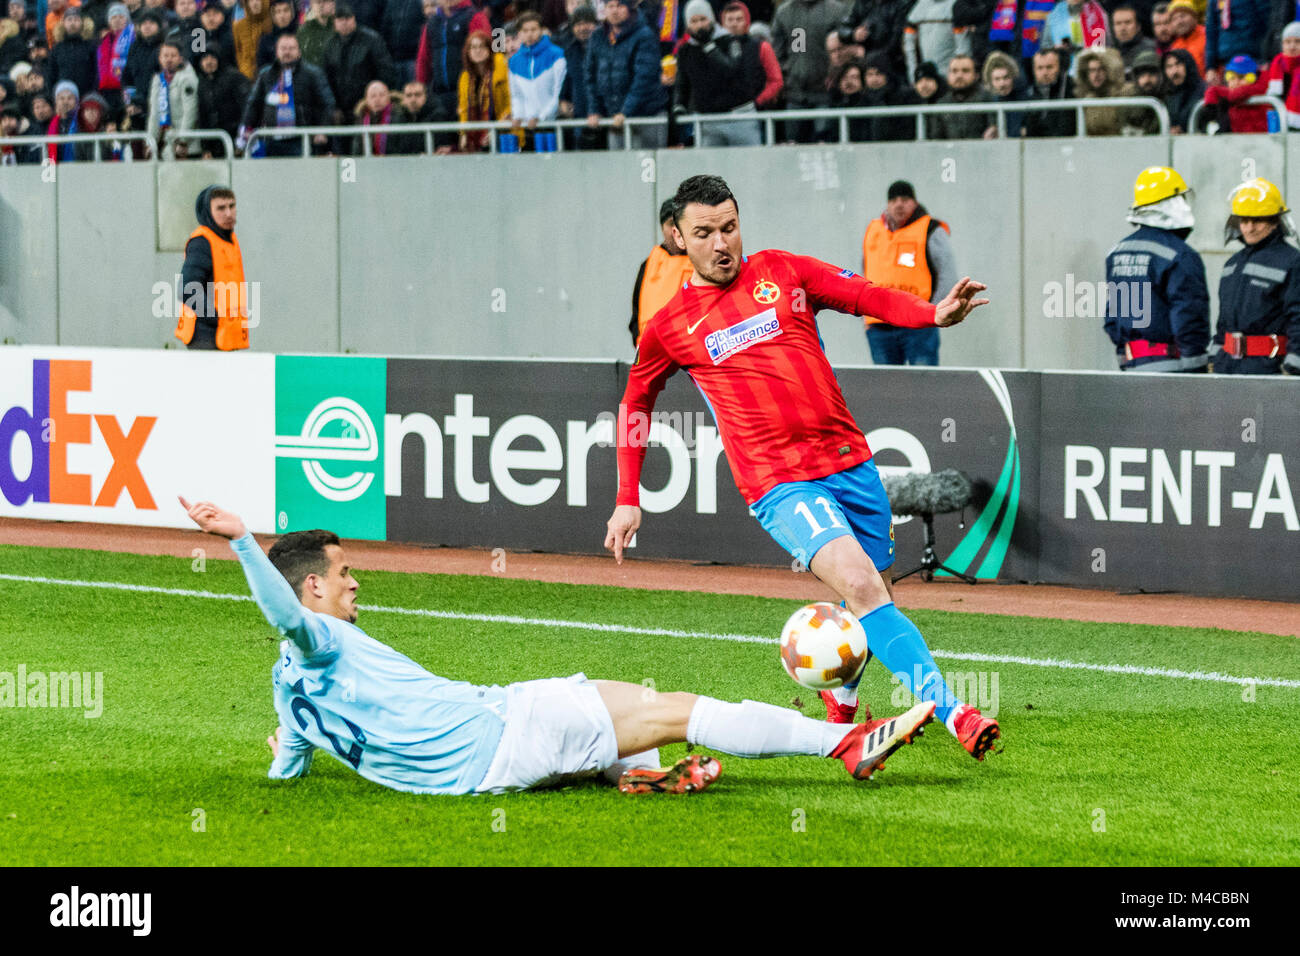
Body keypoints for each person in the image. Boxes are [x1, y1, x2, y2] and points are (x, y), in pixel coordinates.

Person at [604, 175, 1000, 760]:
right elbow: (635, 402)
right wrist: (627, 497)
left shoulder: (782, 271)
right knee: (861, 585)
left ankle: (841, 706)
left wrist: (930, 314)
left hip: (849, 460)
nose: (722, 243)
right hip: (778, 480)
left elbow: (864, 295)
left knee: (873, 592)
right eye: (705, 233)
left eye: (730, 227)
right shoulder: (670, 326)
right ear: (678, 237)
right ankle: (955, 713)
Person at [180, 495, 939, 796]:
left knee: (618, 718)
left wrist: (287, 758)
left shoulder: (289, 693)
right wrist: (242, 539)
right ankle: (845, 744)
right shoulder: (315, 636)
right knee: (679, 708)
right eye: (343, 572)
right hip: (506, 732)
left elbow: (286, 767)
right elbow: (283, 615)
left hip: (473, 769)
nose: (355, 581)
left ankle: (637, 774)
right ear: (312, 588)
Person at [1102, 167, 1209, 371]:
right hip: (1172, 368)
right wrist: (1196, 369)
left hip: (1131, 366)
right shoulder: (1180, 255)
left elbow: (1112, 318)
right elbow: (1188, 316)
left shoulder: (1116, 253)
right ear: (1173, 202)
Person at [861, 180, 956, 365]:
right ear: (888, 204)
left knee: (923, 380)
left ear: (914, 203)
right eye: (894, 200)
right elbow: (864, 272)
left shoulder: (930, 229)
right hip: (879, 326)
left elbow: (947, 275)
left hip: (919, 324)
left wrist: (934, 313)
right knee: (887, 382)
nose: (899, 204)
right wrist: (865, 318)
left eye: (905, 199)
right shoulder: (873, 230)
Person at [1213, 178, 1300, 375]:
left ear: (1275, 222)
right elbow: (1223, 323)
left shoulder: (1292, 261)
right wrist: (1214, 357)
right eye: (1244, 221)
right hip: (1227, 367)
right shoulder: (1232, 264)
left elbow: (1298, 317)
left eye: (1258, 221)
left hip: (1270, 369)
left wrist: (1294, 366)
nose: (1249, 228)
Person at [674, 0, 764, 146]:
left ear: (711, 19)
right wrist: (679, 104)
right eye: (694, 21)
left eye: (703, 19)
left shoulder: (730, 41)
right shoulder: (685, 50)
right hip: (707, 120)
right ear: (688, 25)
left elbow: (731, 69)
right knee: (708, 160)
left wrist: (710, 47)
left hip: (738, 115)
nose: (699, 25)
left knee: (749, 159)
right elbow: (682, 81)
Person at [175, 185, 250, 351]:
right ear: (208, 212)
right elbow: (187, 289)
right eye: (221, 208)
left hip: (225, 336)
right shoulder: (202, 242)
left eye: (232, 206)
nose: (228, 213)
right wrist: (217, 318)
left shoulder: (228, 239)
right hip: (206, 338)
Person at [584, 0, 667, 149]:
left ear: (629, 8)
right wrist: (594, 110)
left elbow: (644, 78)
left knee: (648, 161)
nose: (614, 11)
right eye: (610, 6)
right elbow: (590, 76)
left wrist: (626, 111)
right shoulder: (597, 36)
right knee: (619, 162)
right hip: (615, 118)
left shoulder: (644, 35)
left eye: (619, 6)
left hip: (647, 115)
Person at [240, 31, 335, 156]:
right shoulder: (265, 74)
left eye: (291, 48)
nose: (287, 52)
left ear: (299, 52)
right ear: (277, 52)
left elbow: (327, 104)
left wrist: (322, 130)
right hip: (271, 138)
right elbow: (254, 104)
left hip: (302, 138)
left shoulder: (313, 74)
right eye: (283, 48)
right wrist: (247, 127)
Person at [772, 0, 845, 143]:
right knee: (793, 143)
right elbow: (777, 53)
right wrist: (786, 75)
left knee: (824, 143)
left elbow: (844, 48)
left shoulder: (836, 10)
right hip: (795, 93)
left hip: (825, 92)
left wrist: (837, 73)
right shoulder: (784, 12)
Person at [322, 1, 397, 138]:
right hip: (341, 110)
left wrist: (374, 101)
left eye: (347, 18)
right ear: (334, 22)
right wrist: (334, 107)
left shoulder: (372, 40)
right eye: (340, 19)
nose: (344, 22)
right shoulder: (330, 44)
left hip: (367, 107)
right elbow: (327, 79)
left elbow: (386, 72)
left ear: (354, 19)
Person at [629, 199, 694, 347]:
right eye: (671, 223)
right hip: (652, 351)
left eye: (681, 223)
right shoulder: (648, 266)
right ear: (662, 227)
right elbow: (636, 315)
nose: (677, 230)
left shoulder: (702, 263)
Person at [415, 0, 490, 120]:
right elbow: (423, 59)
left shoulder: (474, 16)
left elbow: (486, 53)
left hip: (469, 92)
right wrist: (421, 86)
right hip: (439, 94)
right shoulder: (431, 23)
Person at [507, 10, 565, 149]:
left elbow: (558, 92)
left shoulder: (556, 54)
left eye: (533, 29)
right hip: (529, 126)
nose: (529, 34)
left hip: (553, 122)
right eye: (525, 30)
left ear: (541, 31)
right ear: (519, 34)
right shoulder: (514, 61)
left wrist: (541, 117)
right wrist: (518, 115)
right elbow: (517, 95)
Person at [147, 36, 199, 159]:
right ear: (160, 58)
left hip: (187, 146)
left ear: (180, 58)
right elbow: (154, 113)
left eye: (173, 56)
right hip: (167, 142)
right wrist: (151, 141)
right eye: (165, 56)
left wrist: (183, 140)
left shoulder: (188, 78)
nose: (169, 59)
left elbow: (190, 112)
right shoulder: (158, 79)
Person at [456, 28, 508, 151]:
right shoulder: (465, 77)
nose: (477, 51)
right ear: (468, 52)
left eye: (482, 46)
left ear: (490, 49)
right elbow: (463, 109)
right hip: (477, 135)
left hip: (504, 131)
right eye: (473, 47)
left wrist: (496, 129)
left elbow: (510, 103)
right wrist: (463, 133)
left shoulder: (501, 70)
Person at [927, 53, 995, 139]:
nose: (959, 76)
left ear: (976, 76)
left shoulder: (988, 100)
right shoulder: (942, 104)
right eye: (954, 71)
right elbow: (935, 139)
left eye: (965, 71)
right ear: (948, 75)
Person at [196, 47, 250, 156]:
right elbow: (203, 116)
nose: (209, 62)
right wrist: (205, 148)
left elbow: (247, 108)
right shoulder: (202, 83)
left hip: (235, 140)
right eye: (205, 58)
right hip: (214, 142)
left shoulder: (234, 78)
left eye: (212, 58)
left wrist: (241, 141)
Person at [1203, 0, 1268, 84]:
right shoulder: (1214, 2)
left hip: (1254, 58)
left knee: (1252, 90)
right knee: (1232, 90)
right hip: (1227, 62)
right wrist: (1210, 67)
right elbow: (1211, 32)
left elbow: (1267, 22)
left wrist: (1267, 57)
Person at [903, 0, 967, 80]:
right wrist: (913, 73)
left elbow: (963, 44)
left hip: (952, 74)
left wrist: (961, 71)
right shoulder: (920, 6)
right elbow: (909, 43)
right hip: (927, 75)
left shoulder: (957, 5)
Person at [1202, 54, 1269, 131]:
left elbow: (1238, 93)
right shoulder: (1228, 92)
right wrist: (1210, 106)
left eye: (1241, 77)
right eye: (1231, 76)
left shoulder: (1262, 88)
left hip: (1260, 136)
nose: (1235, 82)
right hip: (1237, 135)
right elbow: (1214, 90)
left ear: (1254, 78)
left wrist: (1226, 94)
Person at [48, 5, 95, 100]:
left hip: (87, 96)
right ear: (63, 23)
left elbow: (95, 72)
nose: (72, 23)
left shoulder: (91, 46)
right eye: (69, 20)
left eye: (76, 20)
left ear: (82, 23)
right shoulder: (57, 48)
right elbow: (51, 75)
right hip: (64, 97)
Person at [1266, 21, 1300, 130]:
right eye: (1287, 42)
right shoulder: (1276, 65)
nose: (1292, 46)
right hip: (1280, 124)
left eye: (1297, 41)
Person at [982, 48, 1024, 136]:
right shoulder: (985, 103)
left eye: (1006, 78)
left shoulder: (1024, 100)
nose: (1002, 84)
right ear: (990, 81)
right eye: (997, 79)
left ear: (1013, 77)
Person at [1162, 47, 1204, 131]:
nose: (1174, 71)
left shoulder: (1203, 91)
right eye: (1169, 66)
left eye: (1178, 64)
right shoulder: (1165, 93)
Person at [1111, 3, 1156, 78]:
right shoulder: (1111, 53)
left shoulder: (1151, 49)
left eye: (1127, 22)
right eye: (1118, 23)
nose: (1123, 28)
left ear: (1138, 26)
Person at [233, 0, 270, 80]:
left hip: (268, 76)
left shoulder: (272, 22)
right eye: (250, 0)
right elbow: (238, 53)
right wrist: (243, 72)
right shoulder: (239, 26)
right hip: (246, 76)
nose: (255, 3)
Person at [1166, 0, 1205, 74]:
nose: (1179, 22)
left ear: (1195, 17)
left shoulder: (1207, 37)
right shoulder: (1175, 47)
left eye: (1183, 16)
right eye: (1174, 19)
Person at [297, 0, 335, 67]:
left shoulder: (340, 29)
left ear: (333, 4)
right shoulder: (303, 30)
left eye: (325, 1)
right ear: (311, 5)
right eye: (318, 2)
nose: (321, 5)